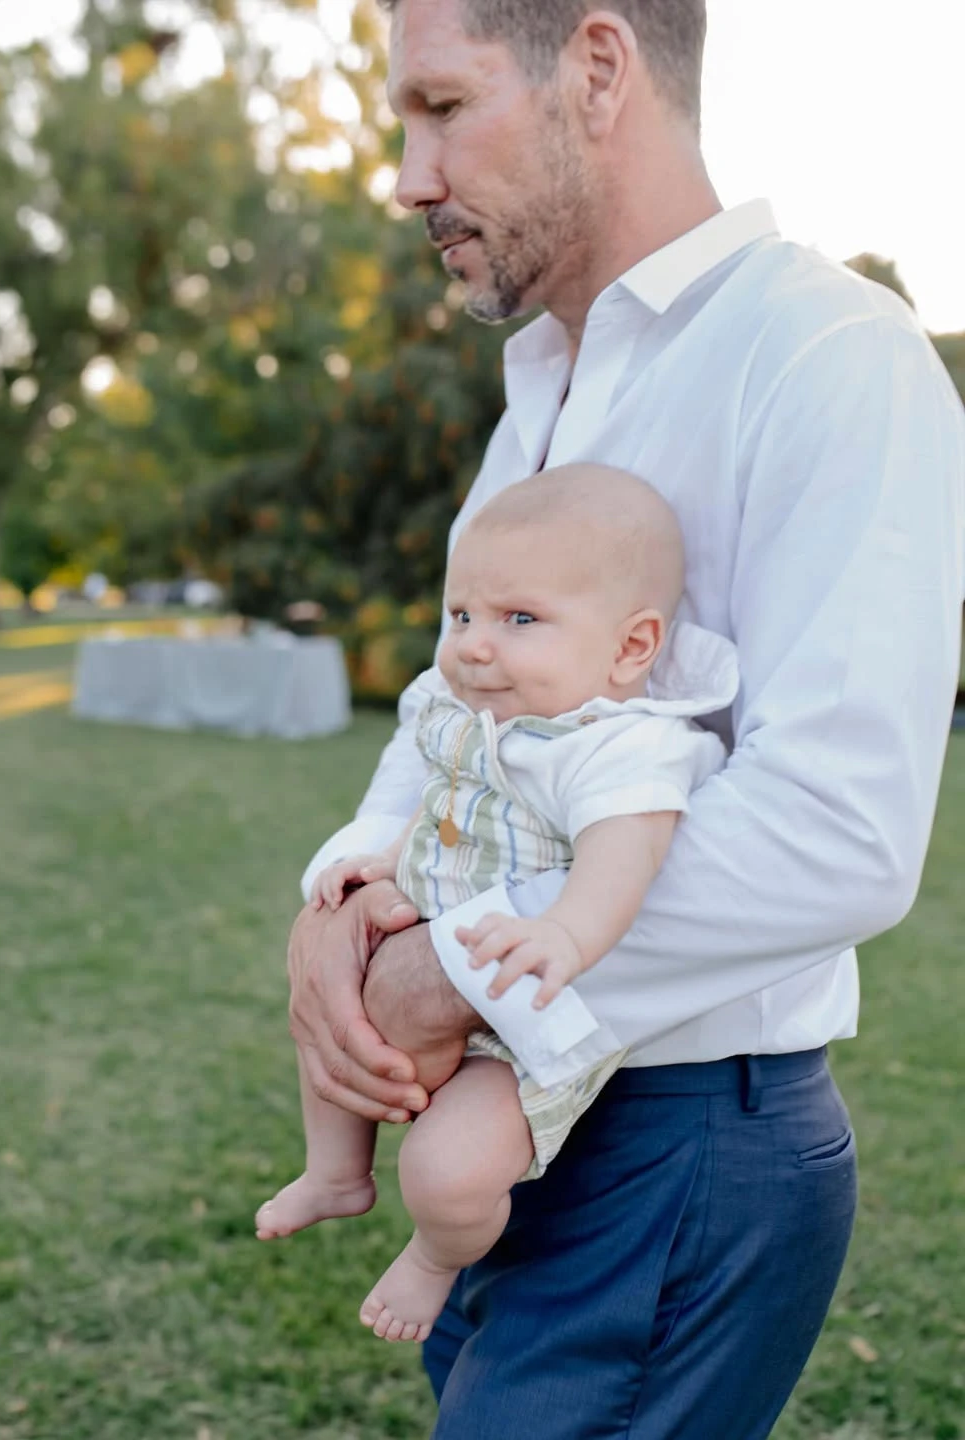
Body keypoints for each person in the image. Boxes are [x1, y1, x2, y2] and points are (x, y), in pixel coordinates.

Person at [287, 1, 965, 1435]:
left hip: (677, 1147)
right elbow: (454, 715)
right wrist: (345, 902)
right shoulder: (541, 387)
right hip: (512, 1131)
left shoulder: (829, 355)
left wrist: (446, 975)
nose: (408, 179)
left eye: (441, 107)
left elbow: (838, 832)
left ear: (596, 69)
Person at [258, 463, 738, 1344]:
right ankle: (334, 1172)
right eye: (462, 616)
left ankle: (435, 1256)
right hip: (430, 956)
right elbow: (440, 809)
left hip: (518, 1021)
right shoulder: (475, 720)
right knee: (330, 1030)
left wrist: (566, 934)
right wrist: (377, 865)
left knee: (449, 1171)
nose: (475, 645)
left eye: (519, 620)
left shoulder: (620, 750)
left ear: (632, 646)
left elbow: (624, 861)